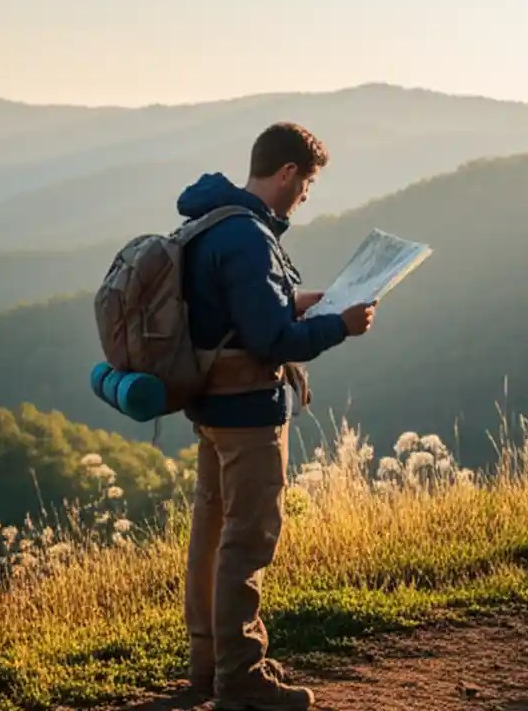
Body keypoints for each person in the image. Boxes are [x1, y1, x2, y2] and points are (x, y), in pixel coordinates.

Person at [177, 122, 374, 710]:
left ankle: (208, 661)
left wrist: (296, 300)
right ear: (287, 173)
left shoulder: (211, 223)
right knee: (248, 540)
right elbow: (271, 340)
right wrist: (341, 325)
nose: (306, 195)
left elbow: (236, 312)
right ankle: (241, 677)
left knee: (211, 534)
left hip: (210, 406)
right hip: (249, 414)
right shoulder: (249, 237)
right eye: (307, 182)